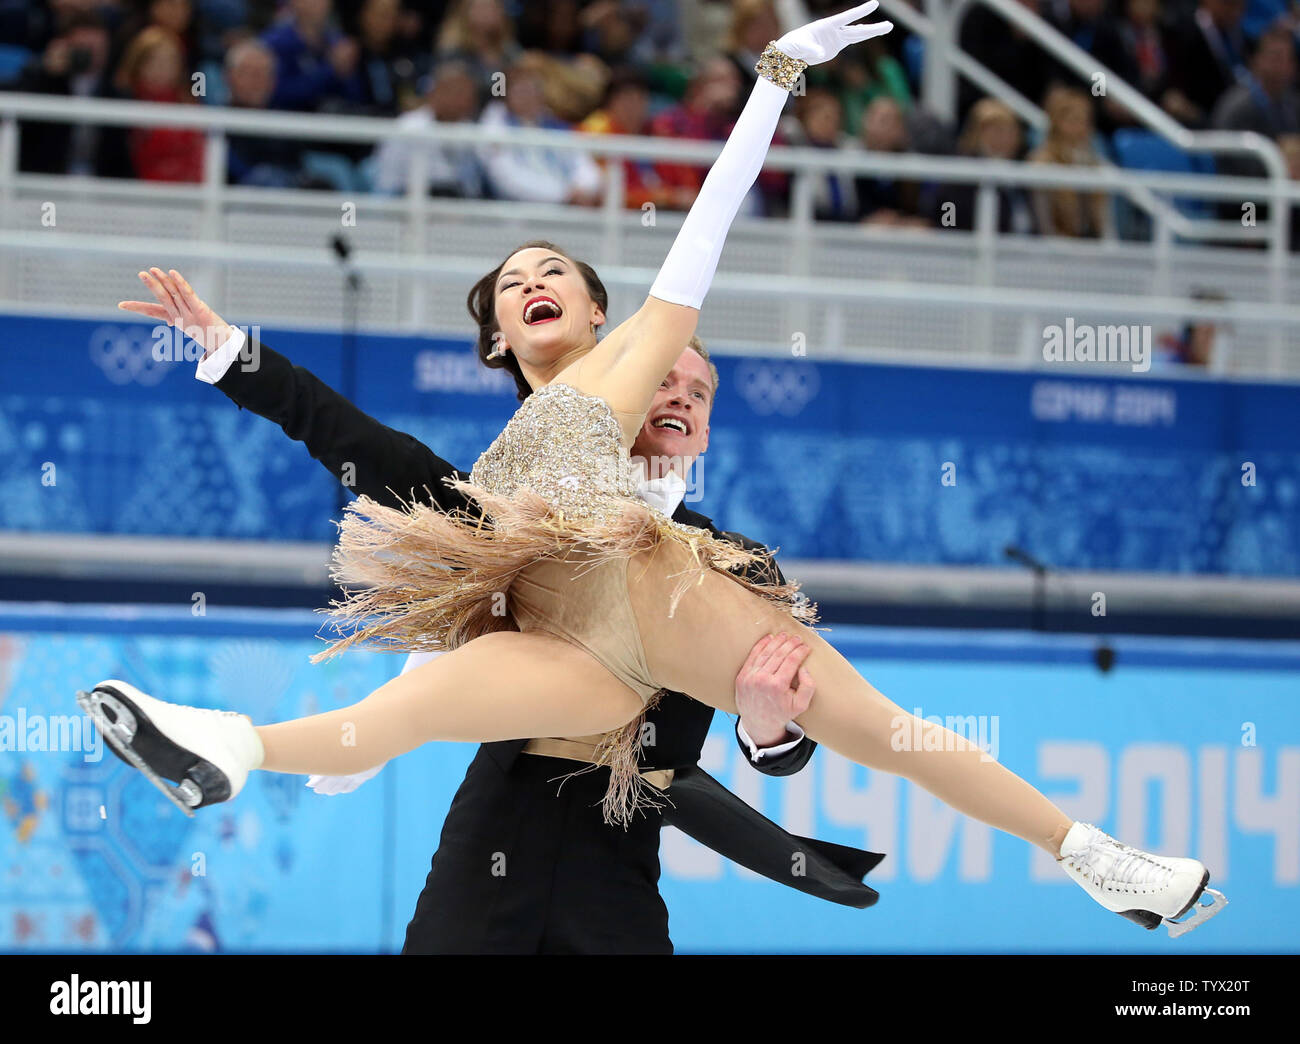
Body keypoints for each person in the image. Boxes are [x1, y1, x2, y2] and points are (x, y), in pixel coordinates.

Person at [83, 3, 1226, 940]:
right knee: (420, 700)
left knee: (893, 730)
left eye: (551, 268)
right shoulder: (487, 471)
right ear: (495, 341)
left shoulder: (634, 375)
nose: (529, 281)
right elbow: (357, 443)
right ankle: (234, 747)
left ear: (598, 309)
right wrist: (235, 355)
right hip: (567, 665)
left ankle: (1093, 856)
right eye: (509, 281)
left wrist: (776, 76)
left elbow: (704, 234)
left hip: (656, 604)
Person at [183, 295, 866, 951]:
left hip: (621, 854)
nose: (680, 397)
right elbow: (360, 443)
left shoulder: (736, 568)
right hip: (497, 831)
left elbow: (792, 742)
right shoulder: (525, 517)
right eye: (662, 379)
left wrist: (770, 723)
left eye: (698, 392)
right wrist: (230, 355)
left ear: (709, 429)